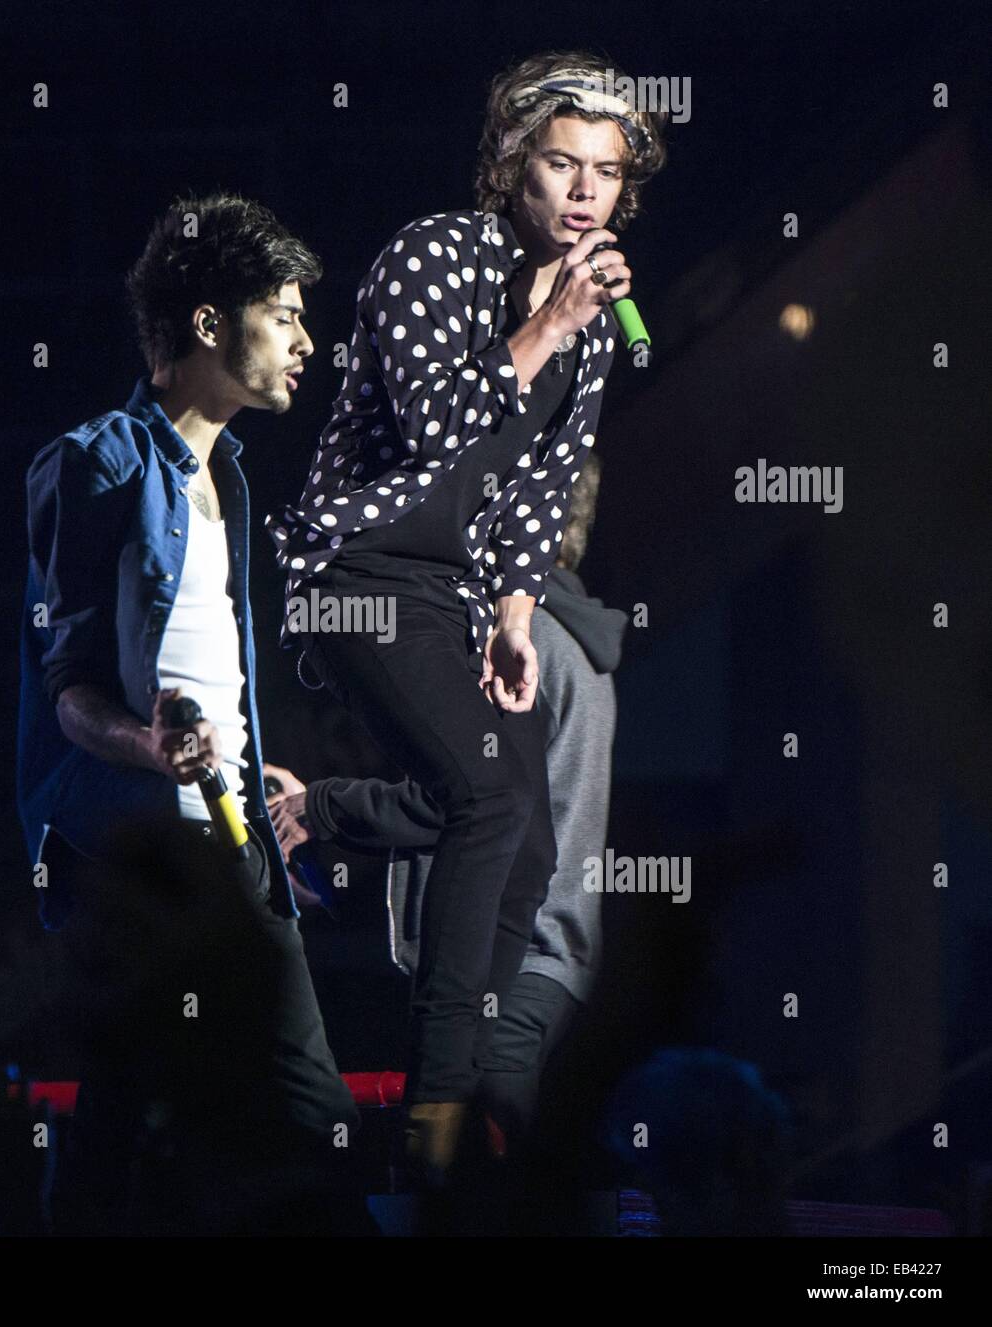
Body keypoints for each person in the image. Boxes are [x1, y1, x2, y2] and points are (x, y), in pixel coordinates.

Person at [265, 51, 666, 1186]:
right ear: (511, 167)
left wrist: (515, 616)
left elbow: (541, 492)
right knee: (489, 794)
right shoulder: (433, 256)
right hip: (359, 562)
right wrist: (546, 328)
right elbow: (438, 427)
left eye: (604, 174)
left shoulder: (592, 323)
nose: (583, 193)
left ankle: (472, 1076)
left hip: (453, 591)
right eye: (559, 165)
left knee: (522, 829)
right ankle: (438, 1122)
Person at [16, 191, 369, 1232]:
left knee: (295, 1116)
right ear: (211, 323)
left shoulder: (236, 476)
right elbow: (66, 688)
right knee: (130, 1134)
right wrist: (152, 747)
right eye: (287, 314)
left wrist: (248, 762)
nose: (309, 339)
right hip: (139, 865)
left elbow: (206, 670)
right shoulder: (93, 463)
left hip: (235, 843)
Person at [268, 456, 628, 1161]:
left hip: (517, 963)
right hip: (543, 961)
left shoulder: (517, 644)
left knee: (473, 1171)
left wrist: (317, 805)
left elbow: (467, 801)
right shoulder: (573, 640)